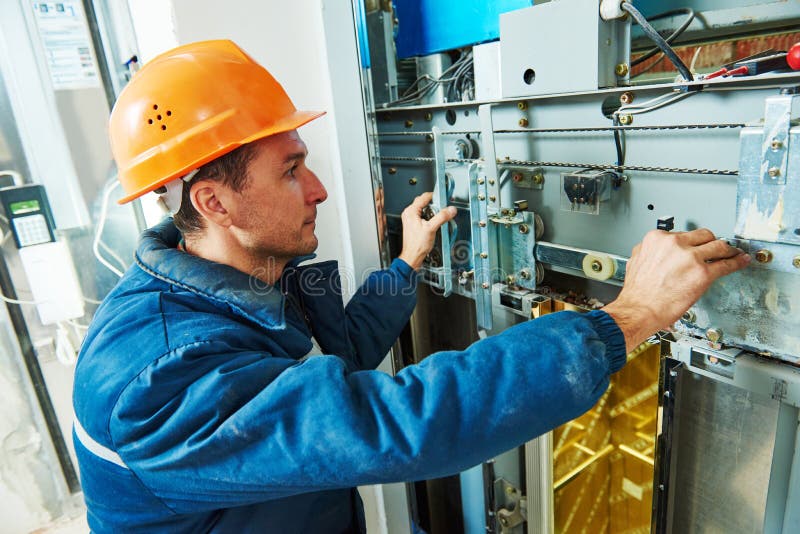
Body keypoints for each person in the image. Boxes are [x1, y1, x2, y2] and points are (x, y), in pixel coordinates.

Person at [72, 40, 750, 533]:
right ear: (216, 204)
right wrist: (630, 315)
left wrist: (407, 265)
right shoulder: (154, 379)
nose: (320, 190)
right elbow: (393, 422)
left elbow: (331, 370)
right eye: (290, 171)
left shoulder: (240, 283)